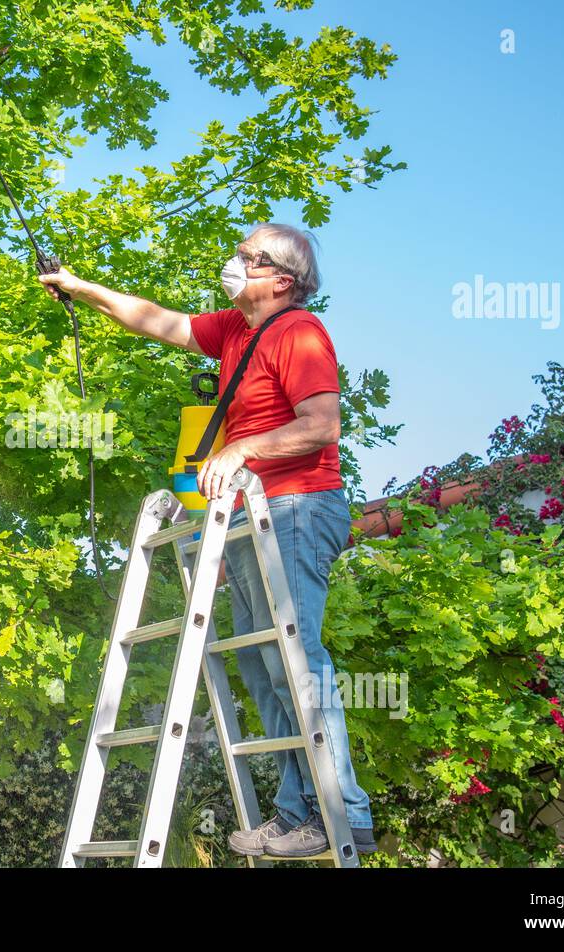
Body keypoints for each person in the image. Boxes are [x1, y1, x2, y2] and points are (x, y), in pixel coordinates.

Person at [38, 223, 376, 858]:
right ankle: (296, 810)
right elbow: (156, 321)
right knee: (259, 664)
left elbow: (322, 426)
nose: (234, 262)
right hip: (255, 515)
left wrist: (244, 448)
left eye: (249, 257)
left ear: (283, 280)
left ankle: (344, 814)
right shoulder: (234, 331)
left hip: (298, 507)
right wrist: (79, 288)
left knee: (295, 662)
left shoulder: (300, 333)